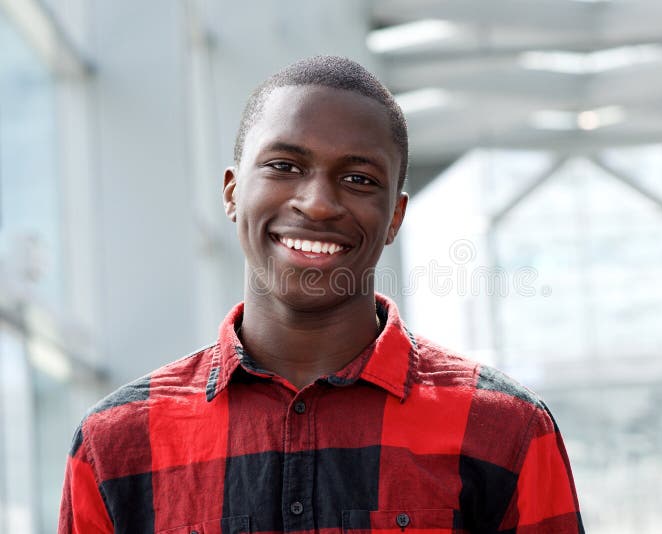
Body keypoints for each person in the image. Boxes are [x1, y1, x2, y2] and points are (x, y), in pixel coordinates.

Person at [59, 56, 584, 534]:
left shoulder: (503, 429)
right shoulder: (116, 444)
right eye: (284, 167)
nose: (317, 204)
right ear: (232, 192)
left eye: (358, 178)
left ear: (395, 218)